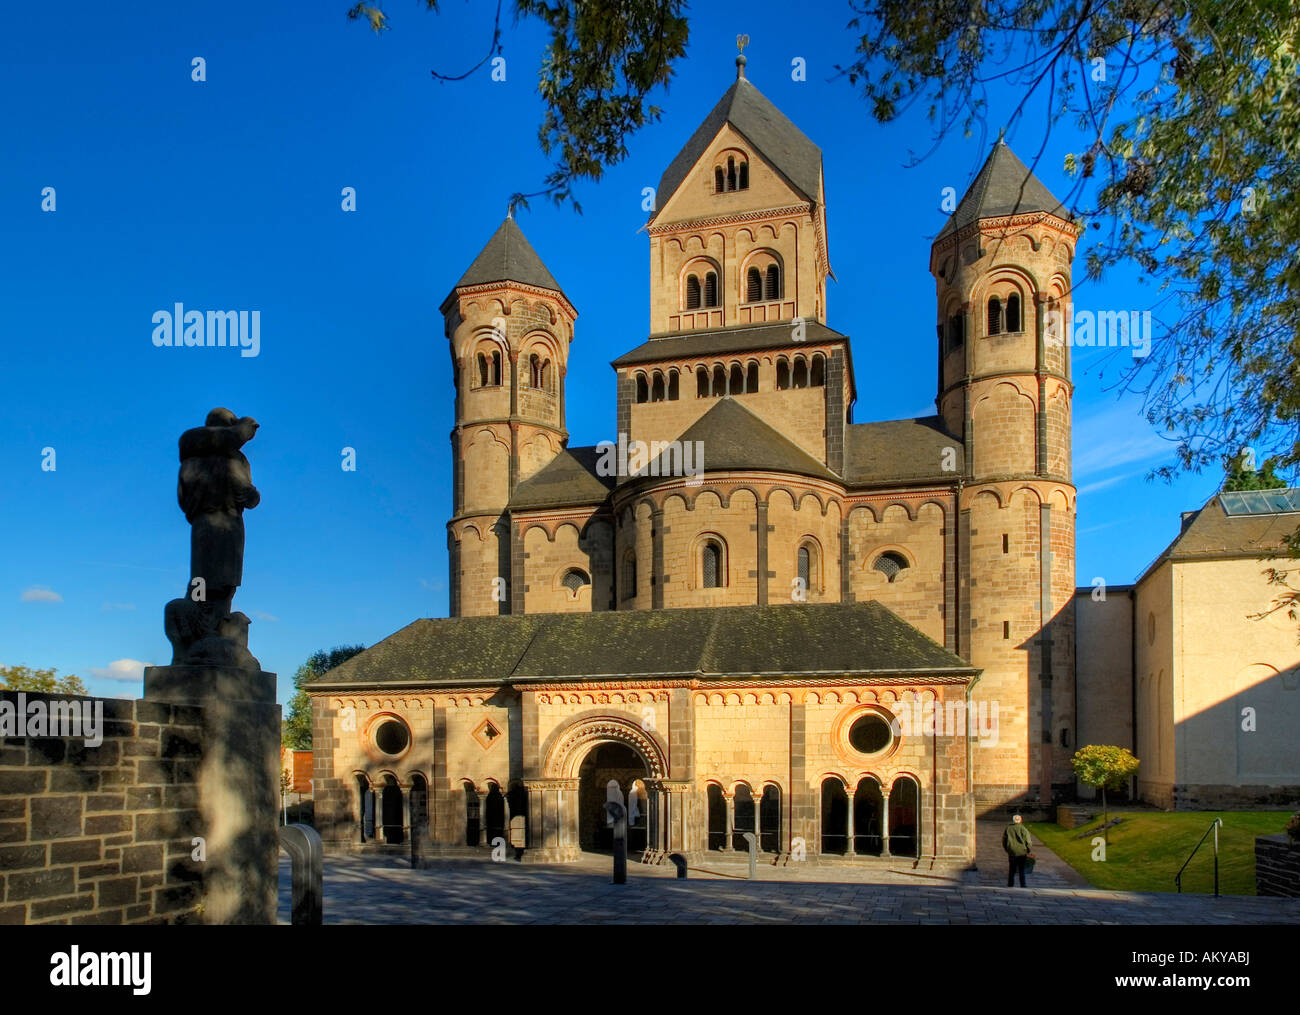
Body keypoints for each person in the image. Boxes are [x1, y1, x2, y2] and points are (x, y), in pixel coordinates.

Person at [1002, 813, 1034, 887]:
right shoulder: (1023, 829)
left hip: (1012, 851)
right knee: (1021, 869)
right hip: (1022, 852)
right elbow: (1028, 841)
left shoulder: (1008, 828)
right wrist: (1028, 850)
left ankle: (1010, 884)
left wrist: (1007, 849)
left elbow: (1004, 840)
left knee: (1012, 869)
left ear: (1013, 821)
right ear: (1021, 820)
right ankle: (1023, 884)